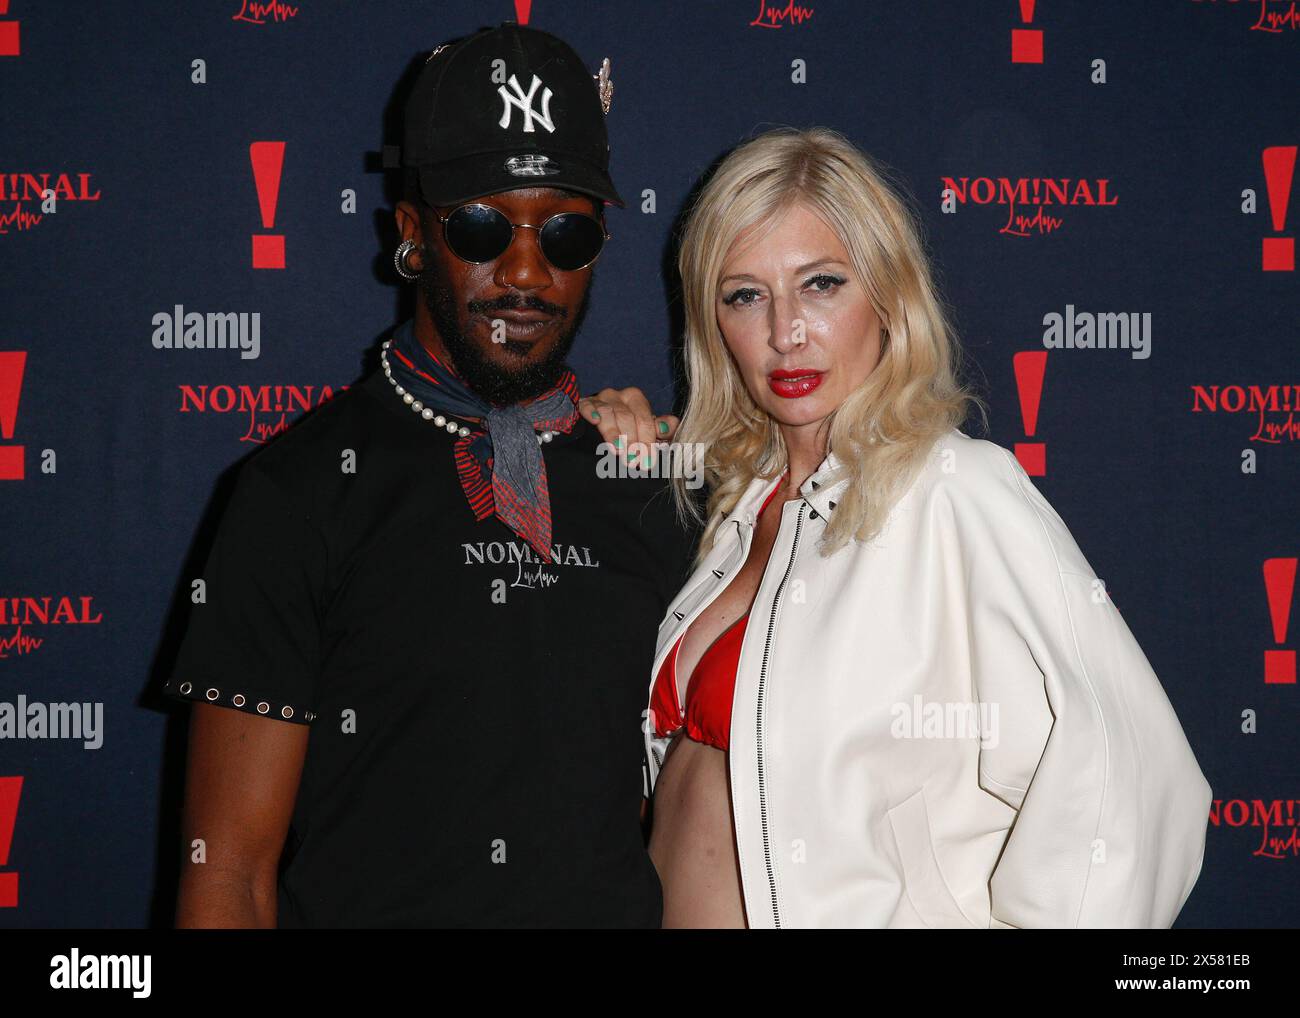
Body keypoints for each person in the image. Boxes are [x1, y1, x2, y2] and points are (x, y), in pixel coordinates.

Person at [601, 126, 1213, 928]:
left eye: (820, 284)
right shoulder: (736, 512)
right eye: (745, 294)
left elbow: (1133, 780)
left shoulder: (955, 490)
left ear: (888, 296)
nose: (786, 330)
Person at [162, 23, 697, 928]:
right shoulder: (297, 493)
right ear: (412, 233)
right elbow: (229, 876)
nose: (527, 271)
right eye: (483, 225)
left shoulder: (656, 481)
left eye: (565, 233)